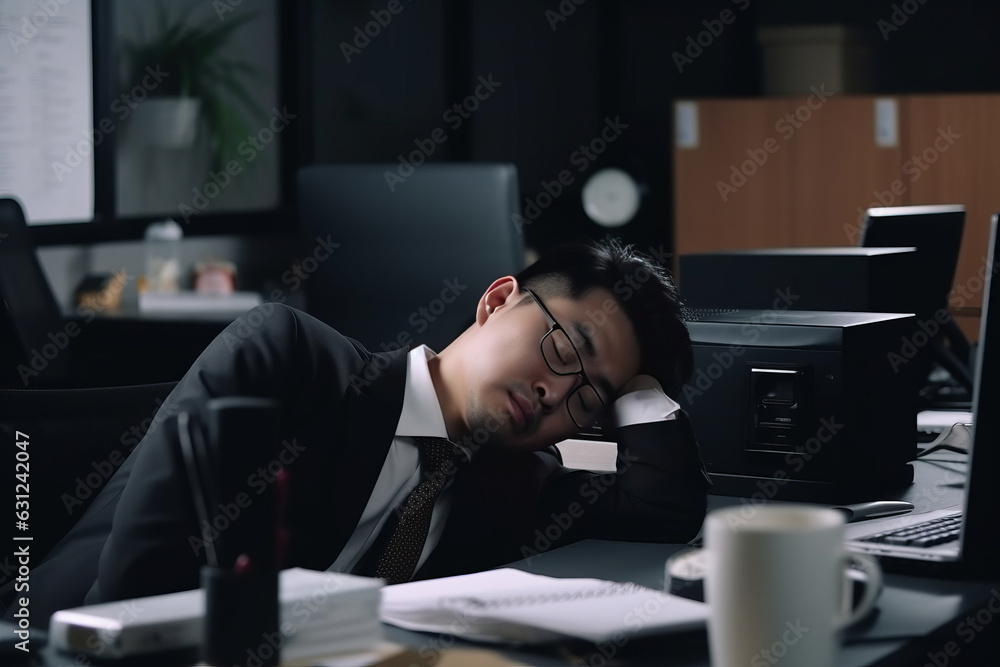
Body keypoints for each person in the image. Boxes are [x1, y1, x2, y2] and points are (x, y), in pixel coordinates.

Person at [6, 237, 710, 624]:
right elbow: (139, 597)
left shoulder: (513, 480)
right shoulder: (291, 364)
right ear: (498, 301)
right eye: (565, 348)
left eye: (587, 397)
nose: (556, 392)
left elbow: (661, 506)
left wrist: (637, 390)